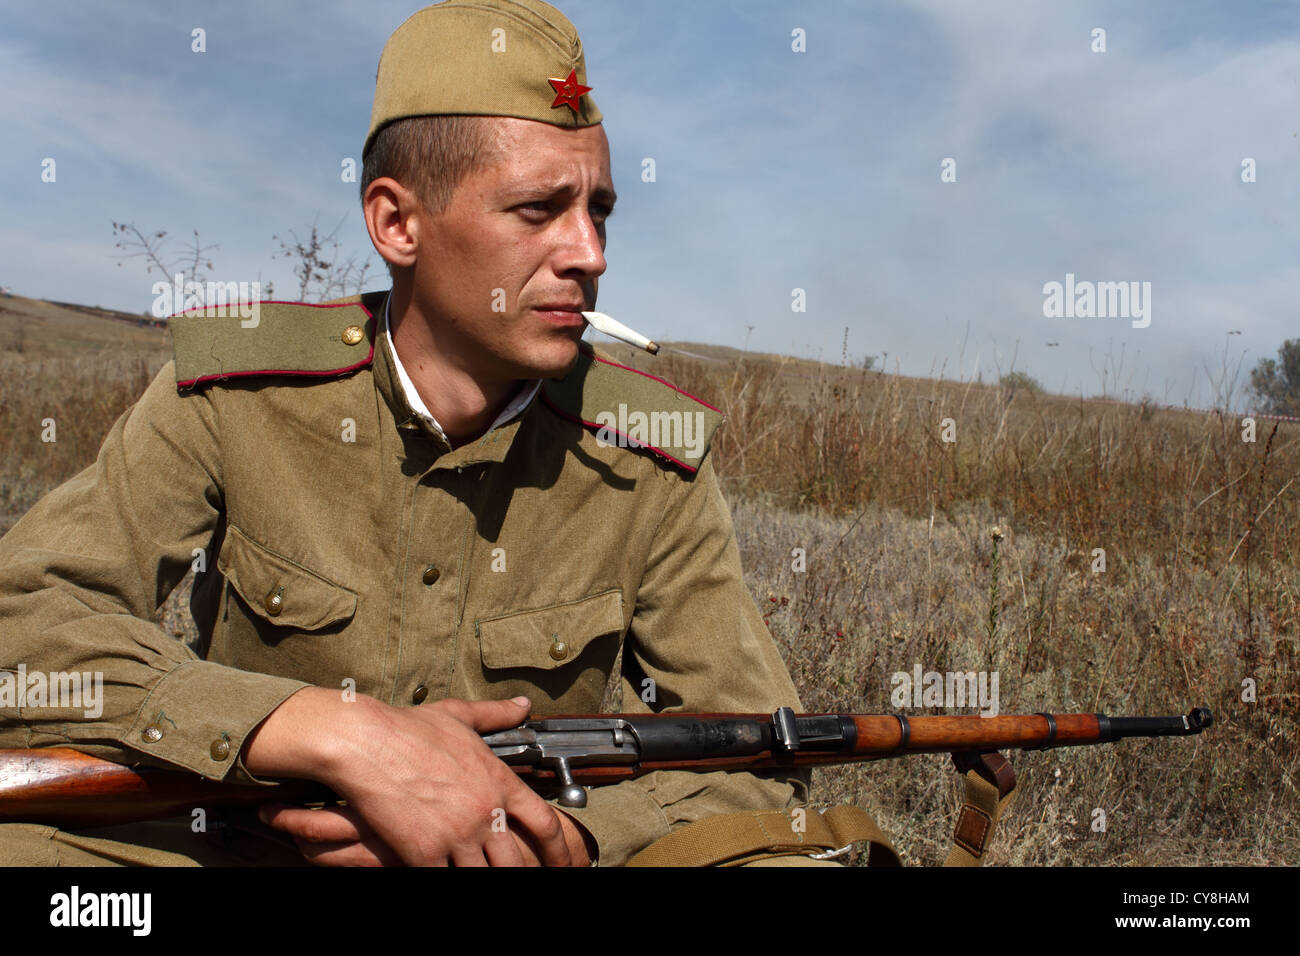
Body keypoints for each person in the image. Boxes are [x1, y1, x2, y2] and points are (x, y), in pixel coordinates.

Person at [0, 0, 845, 867]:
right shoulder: (234, 395)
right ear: (397, 224)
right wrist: (330, 733)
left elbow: (755, 757)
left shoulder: (645, 453)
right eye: (538, 209)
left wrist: (568, 838)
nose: (589, 252)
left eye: (600, 210)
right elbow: (28, 623)